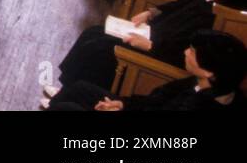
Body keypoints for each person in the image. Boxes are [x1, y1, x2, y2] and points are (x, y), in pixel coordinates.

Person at [49, 0, 247, 95]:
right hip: (150, 33)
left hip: (157, 51)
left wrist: (150, 46)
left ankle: (74, 94)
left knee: (100, 48)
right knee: (94, 32)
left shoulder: (219, 16)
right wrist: (151, 13)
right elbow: (176, 4)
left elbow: (187, 51)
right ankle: (67, 88)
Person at [46, 30, 247, 112]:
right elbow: (153, 102)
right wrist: (122, 104)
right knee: (79, 89)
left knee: (66, 109)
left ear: (209, 71)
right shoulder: (198, 82)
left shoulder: (204, 106)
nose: (185, 53)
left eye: (192, 52)